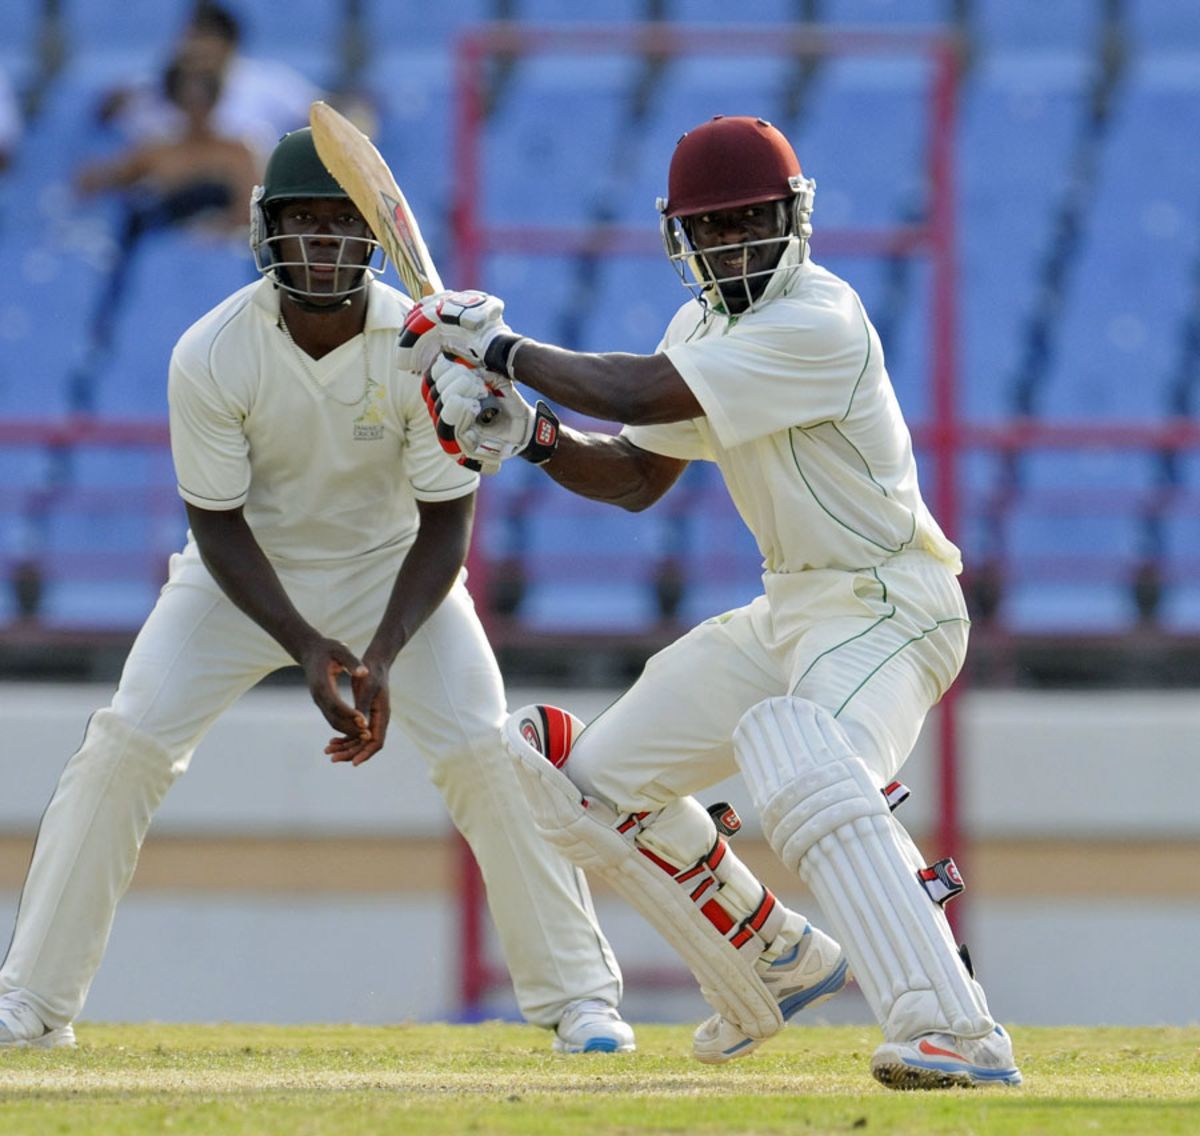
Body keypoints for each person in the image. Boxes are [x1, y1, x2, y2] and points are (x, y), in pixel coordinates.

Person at [403, 115, 1023, 1090]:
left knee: (801, 750)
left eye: (753, 222)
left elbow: (647, 393)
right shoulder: (700, 326)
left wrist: (503, 349)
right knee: (574, 781)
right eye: (716, 228)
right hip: (791, 607)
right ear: (679, 234)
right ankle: (775, 955)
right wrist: (533, 438)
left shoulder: (820, 317)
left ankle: (958, 1027)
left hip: (891, 602)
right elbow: (640, 474)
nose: (735, 245)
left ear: (795, 217)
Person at [0, 128, 633, 1055]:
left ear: (373, 238)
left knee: (490, 756)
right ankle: (31, 1003)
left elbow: (447, 522)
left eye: (343, 224)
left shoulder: (424, 347)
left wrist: (378, 655)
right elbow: (216, 524)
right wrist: (306, 645)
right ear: (268, 233)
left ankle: (581, 1001)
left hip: (396, 568)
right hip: (245, 574)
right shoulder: (211, 352)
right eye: (306, 222)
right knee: (126, 743)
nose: (326, 243)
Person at [99, 1, 322, 162]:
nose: (191, 47)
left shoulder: (270, 84)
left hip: (242, 189)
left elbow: (325, 116)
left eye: (201, 38)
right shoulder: (154, 86)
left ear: (227, 43)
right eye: (188, 38)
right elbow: (106, 119)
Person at [76, 53, 261, 237]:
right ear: (176, 99)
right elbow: (102, 181)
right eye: (189, 98)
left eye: (203, 96)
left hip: (220, 247)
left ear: (215, 98)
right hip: (164, 248)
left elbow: (252, 209)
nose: (196, 106)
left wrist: (219, 227)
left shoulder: (238, 153)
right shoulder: (155, 151)